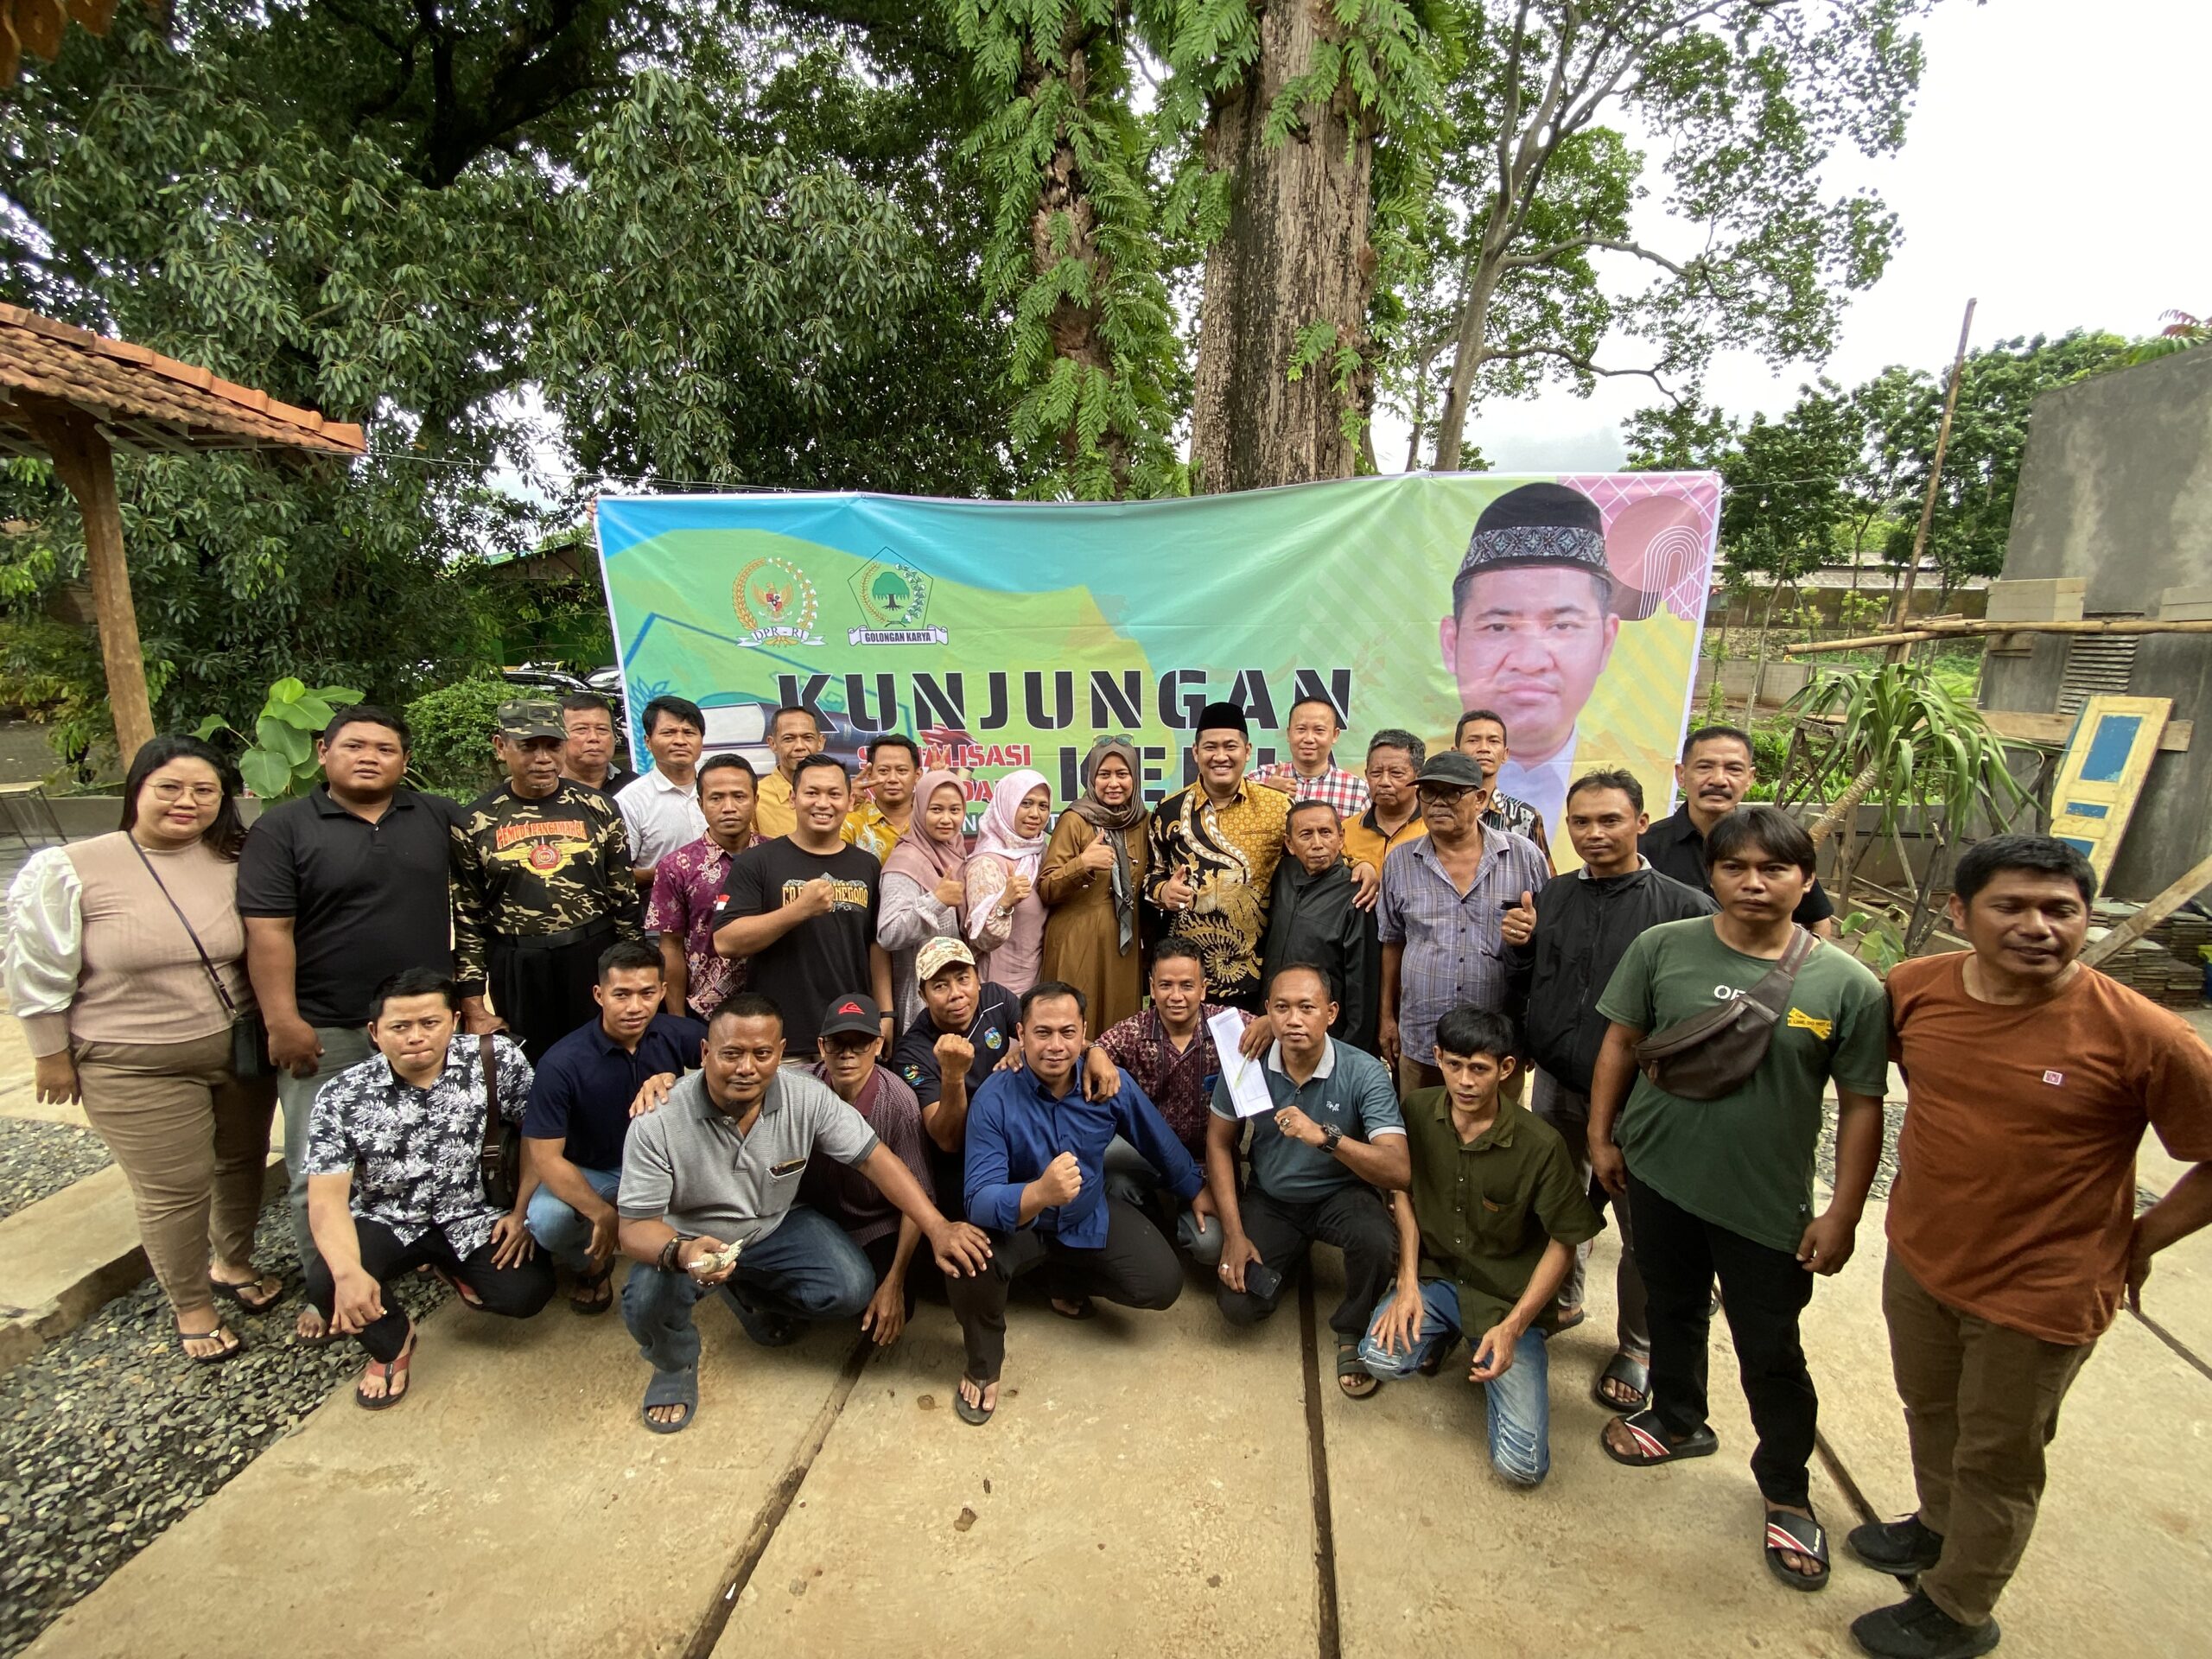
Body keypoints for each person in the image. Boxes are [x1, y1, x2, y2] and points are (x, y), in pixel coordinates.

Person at [1847, 836, 2212, 1659]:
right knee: (1932, 1410)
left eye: (2061, 910)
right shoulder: (1915, 991)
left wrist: (2140, 1239)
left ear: (2085, 919)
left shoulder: (2142, 1034)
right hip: (1923, 1257)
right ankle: (1938, 1529)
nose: (2037, 927)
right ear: (1959, 913)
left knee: (1999, 1454)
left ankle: (1959, 1608)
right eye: (2011, 906)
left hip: (2043, 1289)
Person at [1588, 804, 1888, 1592]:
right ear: (1711, 874)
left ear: (1806, 880)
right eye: (1735, 868)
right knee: (1672, 1306)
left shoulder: (1847, 985)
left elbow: (1861, 1104)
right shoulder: (1663, 948)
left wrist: (1843, 1212)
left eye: (1774, 870)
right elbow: (1620, 1041)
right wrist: (1601, 1137)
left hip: (1763, 1202)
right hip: (1657, 1172)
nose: (1753, 884)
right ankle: (1679, 1418)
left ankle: (1787, 1488)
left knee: (1770, 1349)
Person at [4, 735, 282, 1363]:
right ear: (138, 790)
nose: (187, 802)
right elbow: (36, 965)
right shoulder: (73, 866)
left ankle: (232, 1262)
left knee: (241, 1161)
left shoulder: (236, 858)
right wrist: (50, 1053)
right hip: (132, 1059)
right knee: (174, 1186)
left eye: (203, 790)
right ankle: (192, 1303)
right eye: (170, 788)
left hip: (237, 1047)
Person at [616, 992, 989, 1432]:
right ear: (705, 1053)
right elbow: (634, 1229)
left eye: (760, 1053)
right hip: (689, 1239)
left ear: (780, 1053)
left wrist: (938, 1227)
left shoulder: (806, 1095)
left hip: (775, 1225)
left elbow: (877, 1159)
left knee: (851, 1288)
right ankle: (674, 1365)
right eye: (731, 1053)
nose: (745, 1068)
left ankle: (743, 1290)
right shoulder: (657, 1119)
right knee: (644, 1300)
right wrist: (683, 1253)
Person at [238, 704, 458, 1341]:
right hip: (327, 1025)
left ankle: (418, 1257)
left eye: (385, 749)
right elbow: (268, 932)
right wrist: (282, 1019)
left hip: (422, 1024)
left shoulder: (436, 816)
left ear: (405, 763)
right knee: (317, 1171)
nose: (370, 757)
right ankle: (325, 1290)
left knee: (424, 1147)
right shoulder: (283, 829)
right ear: (323, 751)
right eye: (354, 745)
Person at [1500, 767, 1713, 1411]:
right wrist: (1518, 949)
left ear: (1642, 823)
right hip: (1559, 1082)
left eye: (1609, 820)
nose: (1594, 833)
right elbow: (1533, 976)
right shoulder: (1555, 894)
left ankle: (1638, 1344)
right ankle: (1562, 1300)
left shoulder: (1684, 909)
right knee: (1557, 1204)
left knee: (1641, 1226)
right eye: (1582, 822)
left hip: (1639, 1100)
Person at [1358, 1007, 1601, 1484]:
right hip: (1439, 1281)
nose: (1464, 1081)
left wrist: (1513, 1328)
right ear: (1437, 1058)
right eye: (1454, 1065)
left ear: (1506, 1069)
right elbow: (1402, 1190)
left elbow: (1564, 1243)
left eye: (1479, 1069)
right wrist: (1407, 1282)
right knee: (1378, 1357)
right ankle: (1449, 1333)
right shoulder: (1417, 1112)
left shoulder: (1541, 1144)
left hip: (1504, 1299)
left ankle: (1498, 1350)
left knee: (1521, 1468)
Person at [947, 981, 1204, 1426]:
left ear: (1085, 1032)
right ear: (1021, 1035)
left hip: (1086, 1218)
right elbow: (979, 1199)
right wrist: (1038, 1193)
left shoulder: (1104, 1081)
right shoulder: (994, 1098)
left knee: (1161, 1284)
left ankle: (1059, 1280)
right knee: (970, 1259)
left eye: (1068, 1032)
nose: (1055, 1046)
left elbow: (1158, 1141)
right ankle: (983, 1365)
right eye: (1042, 1033)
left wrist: (1199, 1192)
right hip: (1021, 1227)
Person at [303, 969, 551, 1408]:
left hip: (473, 1215)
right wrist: (348, 1274)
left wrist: (521, 1212)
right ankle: (394, 1342)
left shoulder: (495, 1059)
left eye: (429, 1023)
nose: (416, 1037)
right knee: (327, 1282)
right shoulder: (341, 1096)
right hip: (388, 1218)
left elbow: (538, 1132)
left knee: (525, 1293)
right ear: (374, 1032)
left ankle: (452, 1266)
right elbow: (326, 1198)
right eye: (400, 1026)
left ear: (454, 1021)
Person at [1208, 963, 1407, 1396]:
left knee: (1376, 1241)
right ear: (1267, 1012)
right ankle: (1288, 1253)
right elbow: (1220, 1144)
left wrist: (1326, 1138)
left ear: (1331, 1013)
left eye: (1307, 1007)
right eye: (1281, 1008)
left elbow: (1398, 1168)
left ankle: (1353, 1326)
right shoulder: (1247, 1065)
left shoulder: (1363, 1071)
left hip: (1341, 1193)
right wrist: (1235, 1233)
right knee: (1237, 1307)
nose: (1294, 1019)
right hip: (1272, 1197)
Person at [450, 698, 644, 1063]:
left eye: (552, 746)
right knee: (533, 1063)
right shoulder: (475, 821)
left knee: (604, 1058)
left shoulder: (599, 808)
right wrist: (473, 1004)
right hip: (519, 962)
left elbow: (624, 896)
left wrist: (634, 968)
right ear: (500, 746)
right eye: (528, 746)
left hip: (591, 953)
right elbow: (467, 917)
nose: (542, 758)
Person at [519, 941, 707, 1313]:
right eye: (621, 994)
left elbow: (738, 1082)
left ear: (663, 992)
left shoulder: (683, 1034)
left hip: (663, 1166)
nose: (635, 1007)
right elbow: (545, 1157)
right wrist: (601, 1214)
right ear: (599, 994)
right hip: (595, 1168)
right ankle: (591, 1265)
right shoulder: (561, 1062)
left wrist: (680, 1080)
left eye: (646, 993)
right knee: (546, 1219)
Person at [1440, 481, 1623, 832]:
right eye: (1498, 627)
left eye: (1563, 626)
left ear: (1606, 641)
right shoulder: (1418, 787)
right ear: (1452, 642)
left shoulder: (1631, 781)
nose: (1529, 660)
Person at [1376, 752, 1548, 1096]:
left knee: (1497, 1137)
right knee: (1421, 1132)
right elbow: (1392, 941)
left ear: (1480, 799)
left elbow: (1548, 941)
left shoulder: (1523, 856)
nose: (1438, 803)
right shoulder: (1400, 861)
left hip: (1498, 1039)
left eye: (1452, 793)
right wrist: (1387, 1018)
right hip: (1423, 1035)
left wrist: (1531, 932)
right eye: (1429, 792)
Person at [711, 753, 893, 1057]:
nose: (823, 803)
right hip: (781, 1041)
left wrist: (886, 1014)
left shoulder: (867, 865)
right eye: (812, 793)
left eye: (834, 794)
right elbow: (726, 941)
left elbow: (876, 946)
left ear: (850, 801)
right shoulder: (758, 862)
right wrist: (798, 910)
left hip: (851, 1035)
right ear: (793, 799)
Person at [800, 993, 942, 1345]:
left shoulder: (899, 1103)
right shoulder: (800, 1088)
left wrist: (894, 1280)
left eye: (860, 1042)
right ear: (821, 1045)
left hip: (876, 1223)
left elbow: (919, 1195)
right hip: (814, 1218)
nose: (848, 1054)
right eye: (837, 1043)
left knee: (893, 1310)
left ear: (878, 1044)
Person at [1145, 702, 1292, 1010]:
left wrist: (1360, 868)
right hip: (1183, 979)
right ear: (1196, 752)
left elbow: (1314, 859)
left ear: (1248, 751)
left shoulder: (1278, 808)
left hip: (1257, 972)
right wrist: (1163, 891)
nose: (1221, 756)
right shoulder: (1168, 810)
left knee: (1246, 1057)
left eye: (1231, 746)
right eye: (1210, 747)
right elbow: (1150, 876)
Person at [1641, 724, 1836, 938]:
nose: (1718, 780)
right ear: (1682, 775)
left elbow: (1817, 921)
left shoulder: (1777, 843)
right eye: (1704, 767)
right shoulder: (1645, 848)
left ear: (1750, 778)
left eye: (1733, 769)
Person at [1039, 737, 1151, 1033]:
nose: (1113, 783)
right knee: (1075, 1024)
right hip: (1078, 941)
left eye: (1122, 774)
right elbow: (1047, 888)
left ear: (1134, 778)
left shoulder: (1142, 822)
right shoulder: (1075, 820)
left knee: (1120, 1023)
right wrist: (1082, 864)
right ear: (1091, 778)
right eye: (1104, 775)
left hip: (1123, 947)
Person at [646, 753, 761, 1020]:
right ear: (701, 804)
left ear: (756, 800)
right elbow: (671, 946)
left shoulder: (779, 856)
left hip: (772, 1003)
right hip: (705, 1010)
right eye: (716, 798)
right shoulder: (676, 866)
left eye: (739, 796)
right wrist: (678, 1022)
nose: (728, 807)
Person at [1260, 800, 1379, 1054]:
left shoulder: (1357, 892)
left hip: (1328, 1032)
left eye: (1325, 832)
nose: (1317, 844)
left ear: (1341, 837)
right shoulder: (1283, 873)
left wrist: (1354, 1050)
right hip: (1276, 1021)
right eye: (1305, 835)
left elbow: (1363, 982)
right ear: (1290, 844)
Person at [877, 769, 969, 1030]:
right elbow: (888, 934)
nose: (946, 819)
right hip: (922, 1004)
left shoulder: (957, 855)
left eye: (955, 810)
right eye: (936, 809)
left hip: (959, 1000)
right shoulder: (905, 861)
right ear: (919, 810)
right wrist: (936, 900)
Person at [964, 768, 1052, 996]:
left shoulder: (1042, 853)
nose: (1035, 814)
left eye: (1043, 806)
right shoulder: (986, 862)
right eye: (1026, 803)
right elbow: (979, 939)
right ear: (1007, 804)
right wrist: (1005, 902)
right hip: (999, 990)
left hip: (1039, 983)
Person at [614, 695, 708, 890]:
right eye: (669, 733)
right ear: (648, 741)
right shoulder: (629, 801)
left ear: (701, 741)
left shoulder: (718, 791)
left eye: (689, 732)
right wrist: (668, 873)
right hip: (659, 911)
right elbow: (618, 874)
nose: (680, 741)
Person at [1454, 709, 1553, 865]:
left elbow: (1547, 883)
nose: (1484, 748)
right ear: (1455, 752)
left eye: (1493, 741)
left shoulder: (1525, 817)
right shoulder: (1438, 812)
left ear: (1505, 754)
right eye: (1473, 740)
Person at [1249, 695, 1370, 817]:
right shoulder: (1259, 778)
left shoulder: (1357, 791)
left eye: (1319, 730)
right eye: (1301, 729)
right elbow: (1236, 828)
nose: (1309, 739)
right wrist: (1265, 795)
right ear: (1288, 733)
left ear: (1335, 735)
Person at [1342, 728, 1427, 874]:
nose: (1384, 782)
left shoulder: (1433, 830)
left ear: (1418, 778)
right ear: (1366, 774)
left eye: (1396, 773)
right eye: (1376, 773)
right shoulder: (1345, 832)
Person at [843, 734, 922, 861]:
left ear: (917, 775)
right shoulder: (851, 822)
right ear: (869, 774)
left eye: (901, 771)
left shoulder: (929, 820)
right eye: (884, 771)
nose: (892, 779)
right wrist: (841, 796)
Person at [752, 704, 825, 842]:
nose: (799, 747)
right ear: (773, 744)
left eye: (808, 738)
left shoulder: (839, 795)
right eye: (789, 739)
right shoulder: (756, 796)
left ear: (820, 742)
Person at [558, 692, 638, 800]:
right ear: (559, 736)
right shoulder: (543, 787)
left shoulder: (634, 786)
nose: (594, 738)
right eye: (581, 729)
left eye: (602, 729)